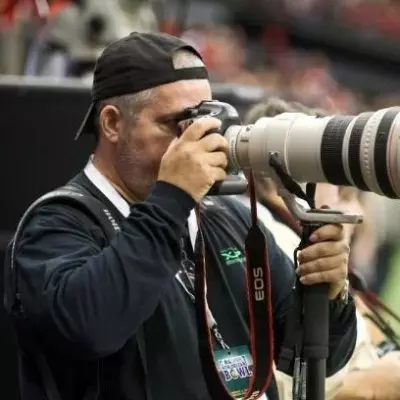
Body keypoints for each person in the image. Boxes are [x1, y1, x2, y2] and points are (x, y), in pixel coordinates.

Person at [5, 32, 356, 400]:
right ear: (111, 123)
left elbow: (307, 355)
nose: (196, 138)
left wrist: (328, 296)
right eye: (177, 123)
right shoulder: (54, 225)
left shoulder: (228, 219)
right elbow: (92, 327)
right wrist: (171, 199)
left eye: (206, 118)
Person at [239, 96, 400, 400]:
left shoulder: (295, 243)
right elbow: (278, 383)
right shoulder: (272, 245)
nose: (355, 212)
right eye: (341, 188)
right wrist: (373, 386)